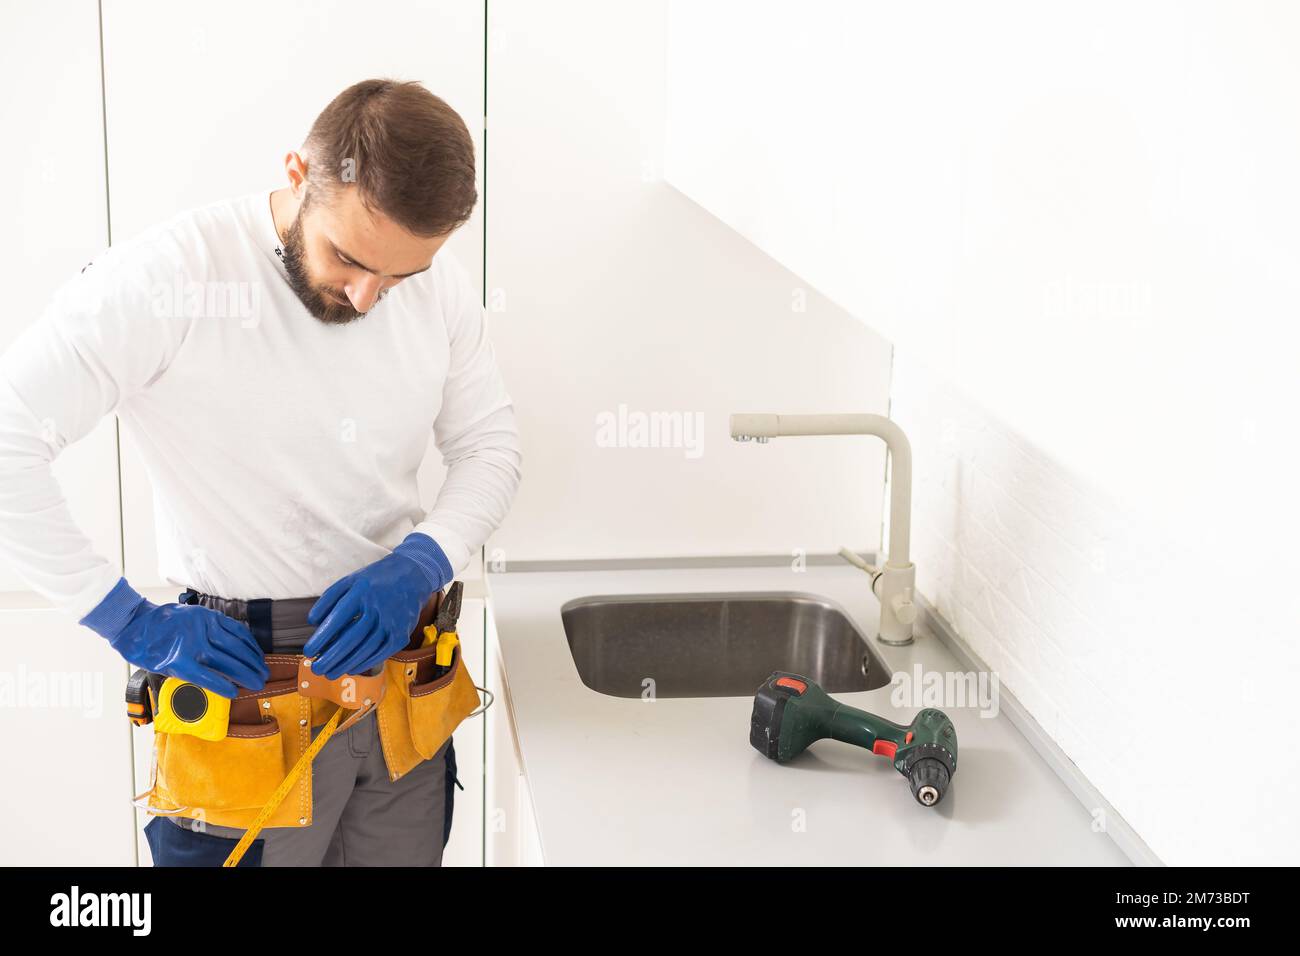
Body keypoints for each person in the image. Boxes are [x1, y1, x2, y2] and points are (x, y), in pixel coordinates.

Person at [0, 78, 522, 866]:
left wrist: (424, 562)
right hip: (245, 696)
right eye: (347, 259)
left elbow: (490, 447)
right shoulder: (167, 278)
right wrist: (128, 623)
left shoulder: (434, 285)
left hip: (401, 692)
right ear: (295, 175)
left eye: (399, 276)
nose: (369, 296)